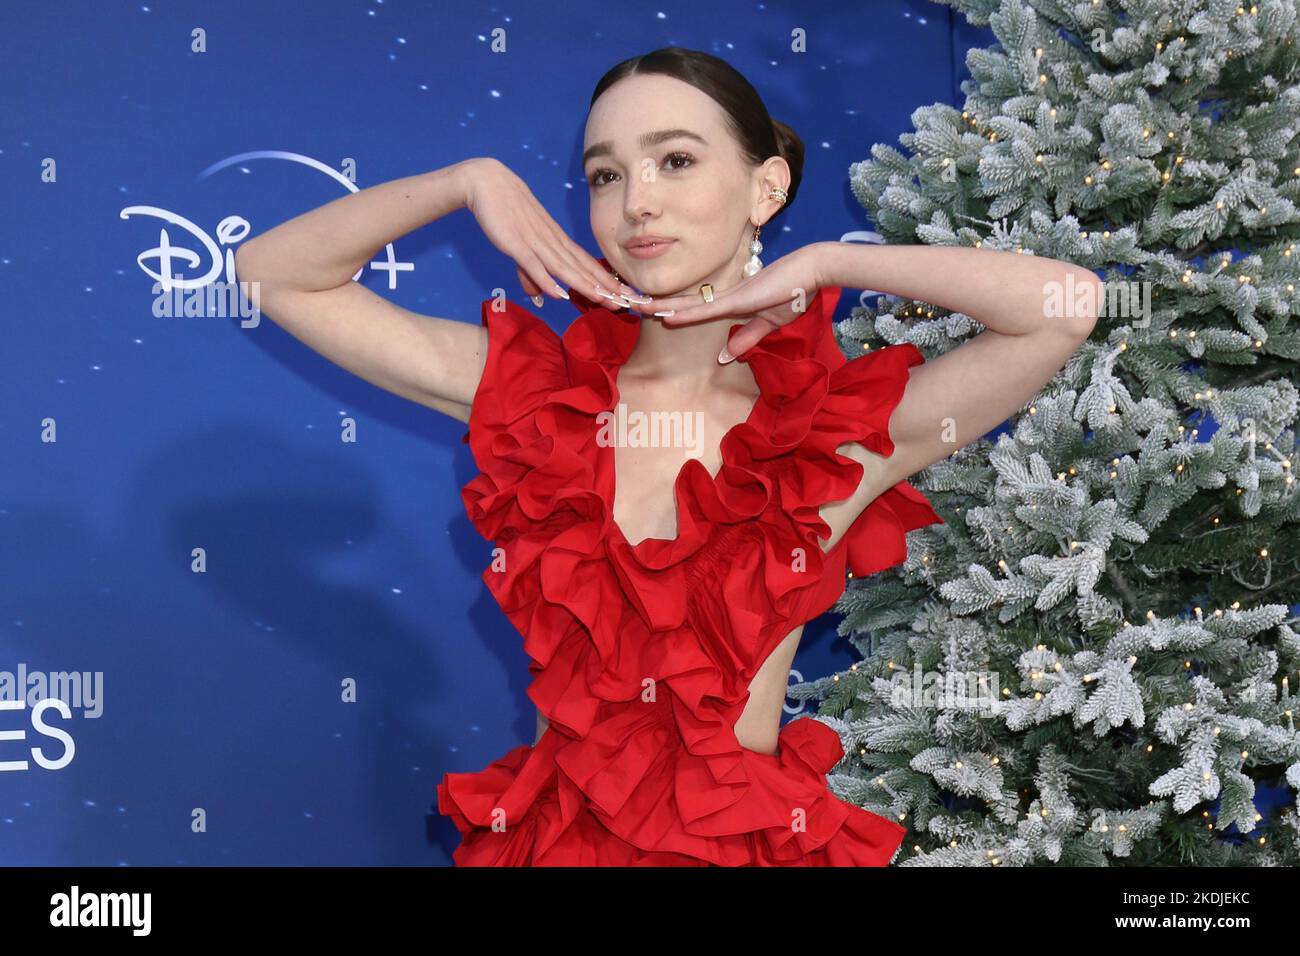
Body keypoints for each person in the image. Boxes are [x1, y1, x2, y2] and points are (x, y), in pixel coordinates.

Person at [234, 46, 1100, 865]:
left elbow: (1064, 306)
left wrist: (830, 259)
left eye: (675, 161)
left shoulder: (834, 434)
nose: (636, 201)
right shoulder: (530, 396)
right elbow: (271, 272)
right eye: (606, 174)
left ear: (767, 187)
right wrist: (468, 182)